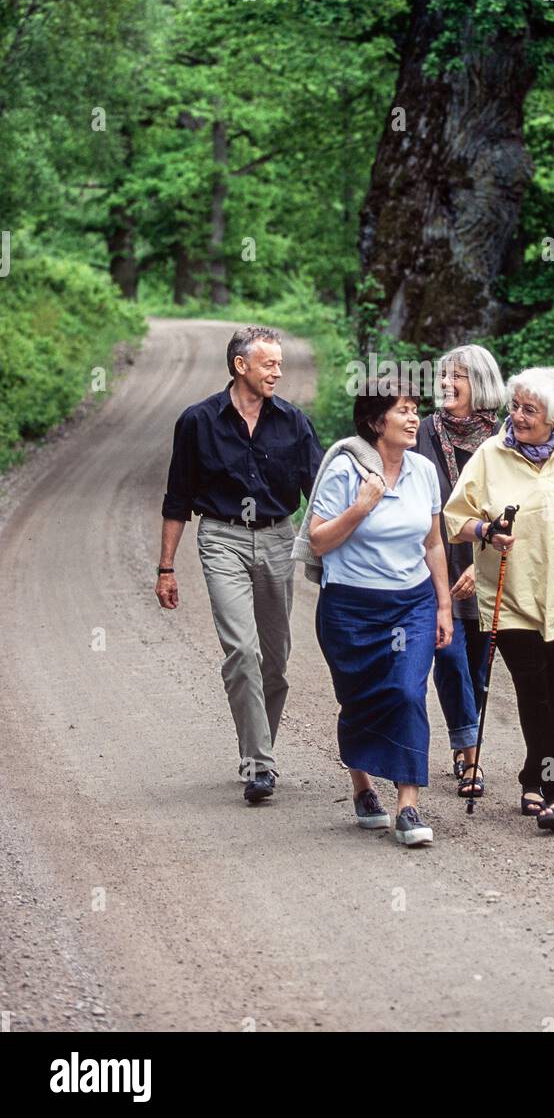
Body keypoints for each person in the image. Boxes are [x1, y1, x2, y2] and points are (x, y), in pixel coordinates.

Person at [444, 366, 554, 833]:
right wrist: (485, 530)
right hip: (510, 597)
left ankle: (532, 774)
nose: (518, 417)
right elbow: (454, 519)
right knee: (533, 691)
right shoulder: (490, 455)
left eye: (530, 410)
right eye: (515, 407)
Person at [155, 326, 323, 804]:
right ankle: (259, 763)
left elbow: (320, 495)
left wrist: (337, 549)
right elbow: (177, 497)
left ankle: (258, 745)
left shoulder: (294, 422)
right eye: (269, 363)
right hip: (221, 537)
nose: (278, 371)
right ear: (240, 365)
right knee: (242, 652)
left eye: (279, 364)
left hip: (277, 537)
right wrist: (166, 568)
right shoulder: (197, 421)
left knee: (276, 661)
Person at [306, 385, 453, 847]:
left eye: (415, 412)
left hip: (410, 604)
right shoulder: (345, 471)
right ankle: (363, 786)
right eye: (403, 412)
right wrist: (362, 506)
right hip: (350, 606)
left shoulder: (424, 471)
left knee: (408, 692)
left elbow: (432, 543)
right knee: (360, 697)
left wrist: (444, 605)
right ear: (376, 422)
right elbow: (319, 541)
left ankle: (407, 805)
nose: (414, 420)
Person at [413, 344, 505, 798]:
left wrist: (481, 565)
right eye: (443, 375)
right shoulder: (424, 433)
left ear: (481, 384)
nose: (446, 383)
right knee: (449, 660)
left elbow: (515, 509)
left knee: (478, 667)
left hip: (488, 570)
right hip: (436, 569)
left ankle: (465, 743)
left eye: (458, 377)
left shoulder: (504, 440)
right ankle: (470, 755)